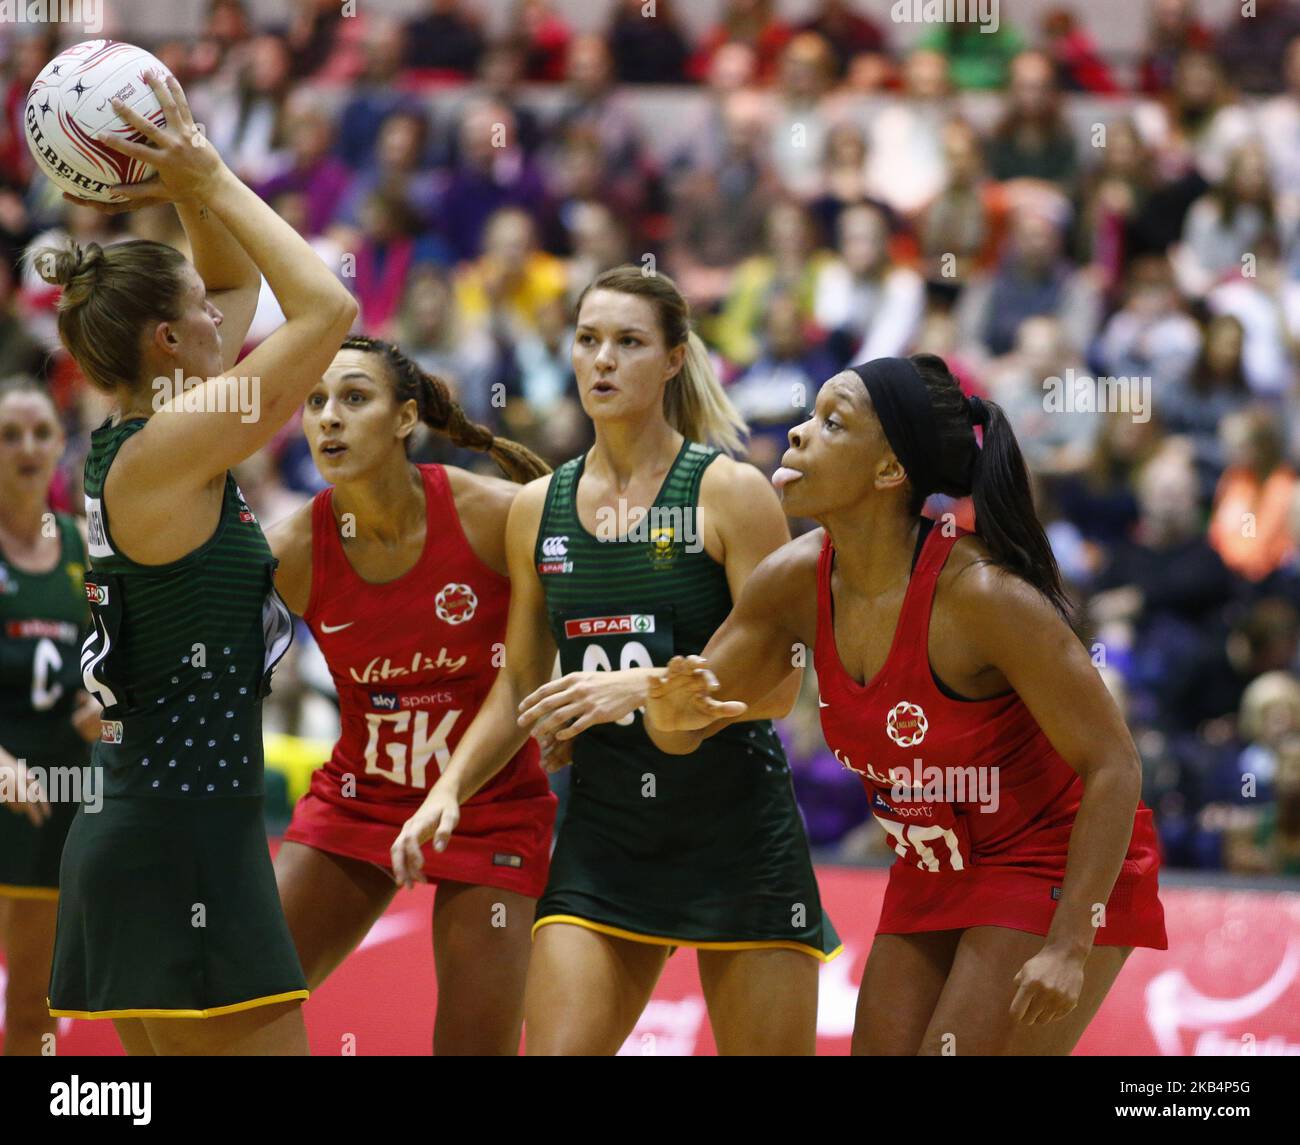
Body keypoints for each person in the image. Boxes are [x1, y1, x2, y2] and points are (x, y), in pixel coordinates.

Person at [524, 354, 1169, 1055]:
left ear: (890, 470)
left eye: (832, 423)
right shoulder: (792, 581)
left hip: (1050, 860)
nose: (798, 433)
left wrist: (1073, 941)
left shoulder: (984, 596)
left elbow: (1114, 763)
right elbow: (683, 728)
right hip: (930, 865)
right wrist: (670, 705)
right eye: (809, 415)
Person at [392, 266, 839, 1056]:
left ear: (673, 359)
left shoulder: (729, 492)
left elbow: (780, 686)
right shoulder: (538, 508)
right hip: (606, 835)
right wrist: (449, 787)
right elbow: (522, 682)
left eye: (629, 342)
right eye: (589, 340)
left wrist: (648, 686)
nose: (602, 359)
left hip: (736, 833)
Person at [36, 71, 358, 1055]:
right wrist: (211, 174)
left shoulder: (154, 427)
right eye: (207, 316)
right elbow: (326, 307)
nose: (232, 318)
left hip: (165, 821)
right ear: (168, 339)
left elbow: (236, 285)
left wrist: (183, 177)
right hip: (175, 836)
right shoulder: (171, 444)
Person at [266, 334, 556, 1054]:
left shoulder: (495, 513)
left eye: (354, 398)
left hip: (489, 805)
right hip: (361, 797)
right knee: (240, 992)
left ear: (404, 419)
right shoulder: (291, 548)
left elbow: (537, 666)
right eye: (316, 401)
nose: (329, 417)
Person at [0, 379, 98, 1055]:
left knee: (34, 1009)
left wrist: (108, 702)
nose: (27, 447)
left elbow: (123, 664)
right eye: (9, 435)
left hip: (55, 800)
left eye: (40, 432)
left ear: (61, 444)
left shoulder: (83, 549)